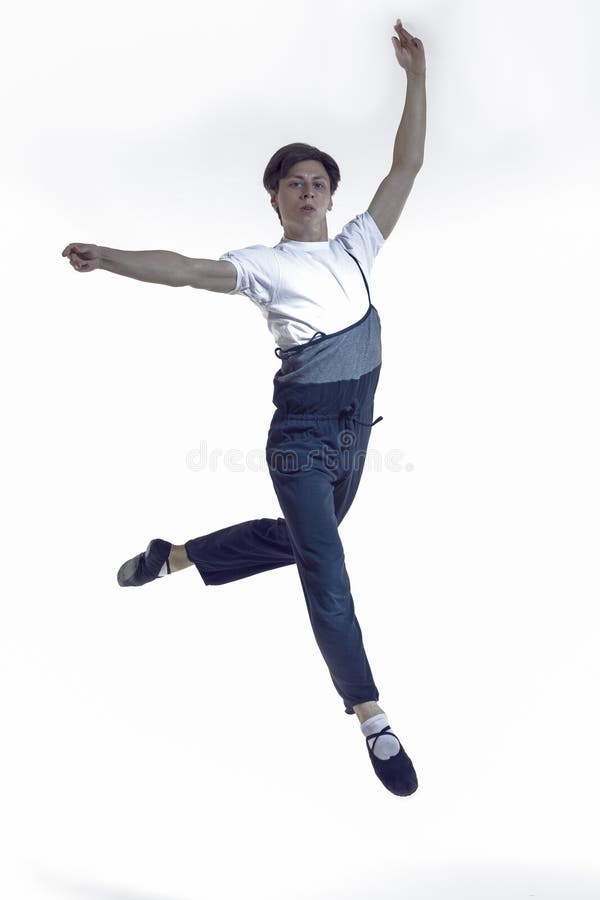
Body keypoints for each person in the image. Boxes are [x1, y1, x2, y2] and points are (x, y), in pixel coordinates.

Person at [61, 19, 426, 796]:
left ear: (331, 193)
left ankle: (177, 555)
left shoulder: (357, 245)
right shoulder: (264, 265)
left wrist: (416, 77)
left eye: (317, 181)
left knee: (304, 542)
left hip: (354, 431)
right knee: (325, 564)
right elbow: (189, 270)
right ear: (275, 196)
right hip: (299, 435)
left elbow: (409, 164)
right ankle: (371, 715)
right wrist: (111, 257)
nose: (306, 190)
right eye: (292, 182)